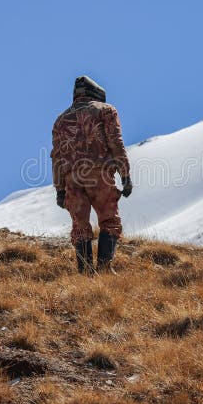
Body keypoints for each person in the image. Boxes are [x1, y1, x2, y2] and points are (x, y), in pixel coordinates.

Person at [51, 76, 132, 274]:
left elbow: (56, 156)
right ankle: (105, 268)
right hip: (99, 173)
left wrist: (60, 189)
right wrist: (125, 174)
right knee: (109, 220)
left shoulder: (60, 120)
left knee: (80, 226)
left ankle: (85, 273)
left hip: (72, 178)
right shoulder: (106, 110)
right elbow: (116, 142)